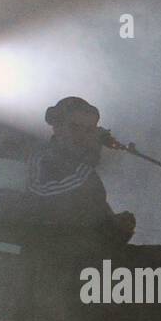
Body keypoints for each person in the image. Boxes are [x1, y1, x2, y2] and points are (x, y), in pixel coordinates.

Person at [19, 96, 134, 241]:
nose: (82, 135)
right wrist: (87, 165)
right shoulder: (42, 157)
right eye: (74, 127)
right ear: (57, 128)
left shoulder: (82, 170)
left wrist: (118, 225)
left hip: (88, 249)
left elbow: (101, 228)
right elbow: (38, 192)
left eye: (89, 130)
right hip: (50, 248)